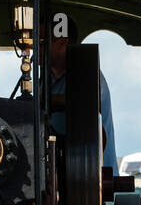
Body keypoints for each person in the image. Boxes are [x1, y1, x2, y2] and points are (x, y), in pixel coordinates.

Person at [49, 16, 118, 173]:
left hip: (93, 182)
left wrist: (41, 102)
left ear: (62, 43)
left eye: (41, 43)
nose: (35, 50)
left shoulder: (89, 76)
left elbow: (84, 103)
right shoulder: (47, 80)